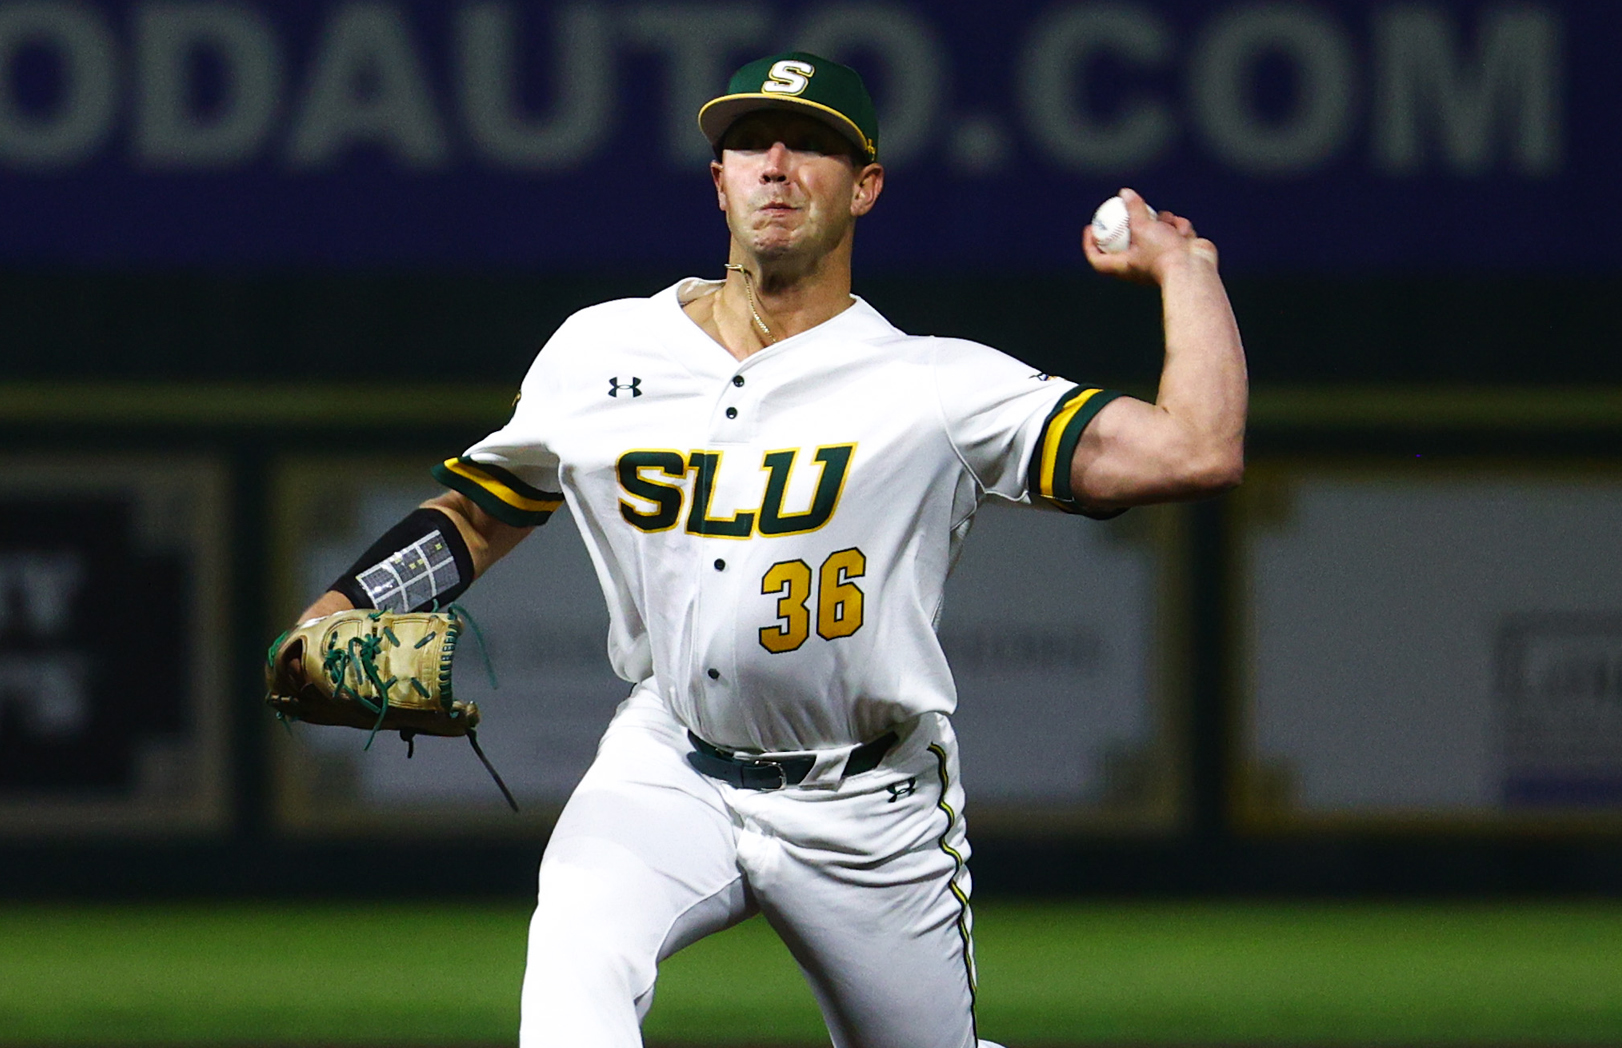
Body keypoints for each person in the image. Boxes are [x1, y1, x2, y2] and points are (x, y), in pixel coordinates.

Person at [292, 52, 1246, 1048]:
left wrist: (1187, 271)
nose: (777, 165)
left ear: (864, 185)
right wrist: (343, 605)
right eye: (750, 142)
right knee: (573, 975)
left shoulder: (933, 388)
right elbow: (487, 506)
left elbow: (1198, 449)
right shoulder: (602, 351)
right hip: (672, 763)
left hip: (869, 805)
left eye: (814, 145)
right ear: (719, 179)